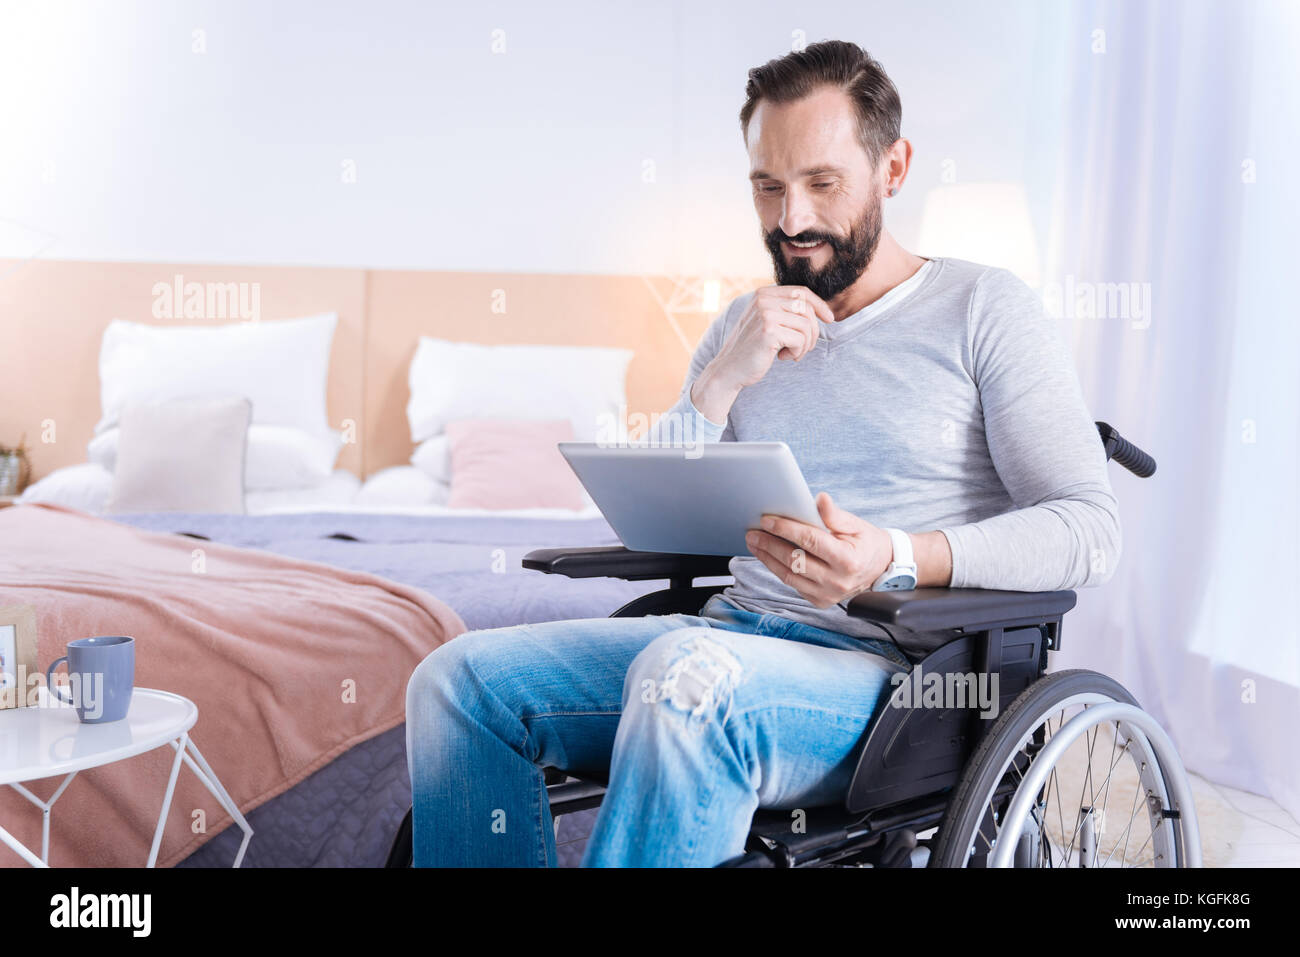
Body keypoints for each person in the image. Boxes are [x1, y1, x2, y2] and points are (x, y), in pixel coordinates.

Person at [405, 39, 1120, 867]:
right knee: (456, 683)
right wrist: (718, 382)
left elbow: (1090, 527)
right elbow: (646, 517)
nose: (792, 220)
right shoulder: (743, 327)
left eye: (822, 183)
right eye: (768, 186)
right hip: (727, 634)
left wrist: (896, 555)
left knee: (685, 679)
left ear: (893, 168)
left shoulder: (985, 309)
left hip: (894, 674)